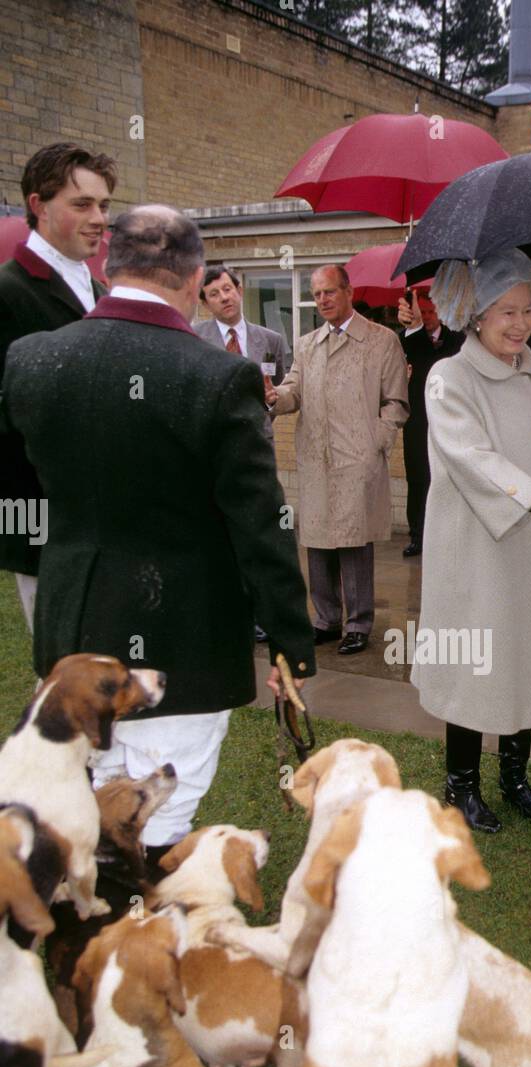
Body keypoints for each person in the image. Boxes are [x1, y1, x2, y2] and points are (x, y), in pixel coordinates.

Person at [1, 205, 315, 857]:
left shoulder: (31, 359)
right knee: (158, 813)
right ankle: (134, 933)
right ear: (196, 277)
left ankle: (91, 928)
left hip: (72, 632)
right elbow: (259, 524)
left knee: (86, 802)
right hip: (183, 638)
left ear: (106, 267)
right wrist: (291, 644)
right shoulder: (218, 376)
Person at [412, 248, 531, 834]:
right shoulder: (449, 377)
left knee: (528, 657)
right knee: (477, 665)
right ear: (476, 314)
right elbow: (471, 458)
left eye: (527, 309)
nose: (519, 324)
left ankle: (515, 778)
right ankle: (460, 785)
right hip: (478, 550)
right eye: (505, 312)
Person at [0, 142, 115, 630]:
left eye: (105, 205)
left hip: (112, 520)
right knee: (71, 679)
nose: (99, 219)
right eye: (82, 204)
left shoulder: (104, 294)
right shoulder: (7, 293)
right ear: (38, 206)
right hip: (47, 525)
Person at [272, 264, 409, 655]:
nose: (323, 301)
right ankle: (326, 620)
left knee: (353, 542)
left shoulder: (382, 341)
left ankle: (358, 623)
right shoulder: (306, 344)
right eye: (316, 295)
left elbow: (396, 402)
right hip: (317, 458)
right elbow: (292, 391)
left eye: (329, 292)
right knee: (318, 543)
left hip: (357, 458)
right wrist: (273, 398)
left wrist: (375, 443)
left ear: (349, 291)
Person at [397, 289, 464, 557]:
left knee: (448, 478)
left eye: (429, 312)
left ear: (439, 312)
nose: (425, 318)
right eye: (420, 313)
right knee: (418, 478)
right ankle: (418, 535)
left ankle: (448, 536)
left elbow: (437, 367)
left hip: (451, 419)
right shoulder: (402, 340)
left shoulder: (458, 339)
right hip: (418, 421)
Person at [195, 265, 288, 440]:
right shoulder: (193, 339)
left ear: (239, 291)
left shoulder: (271, 341)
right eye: (214, 294)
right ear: (205, 304)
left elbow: (275, 391)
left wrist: (266, 409)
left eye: (227, 289)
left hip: (258, 443)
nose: (224, 298)